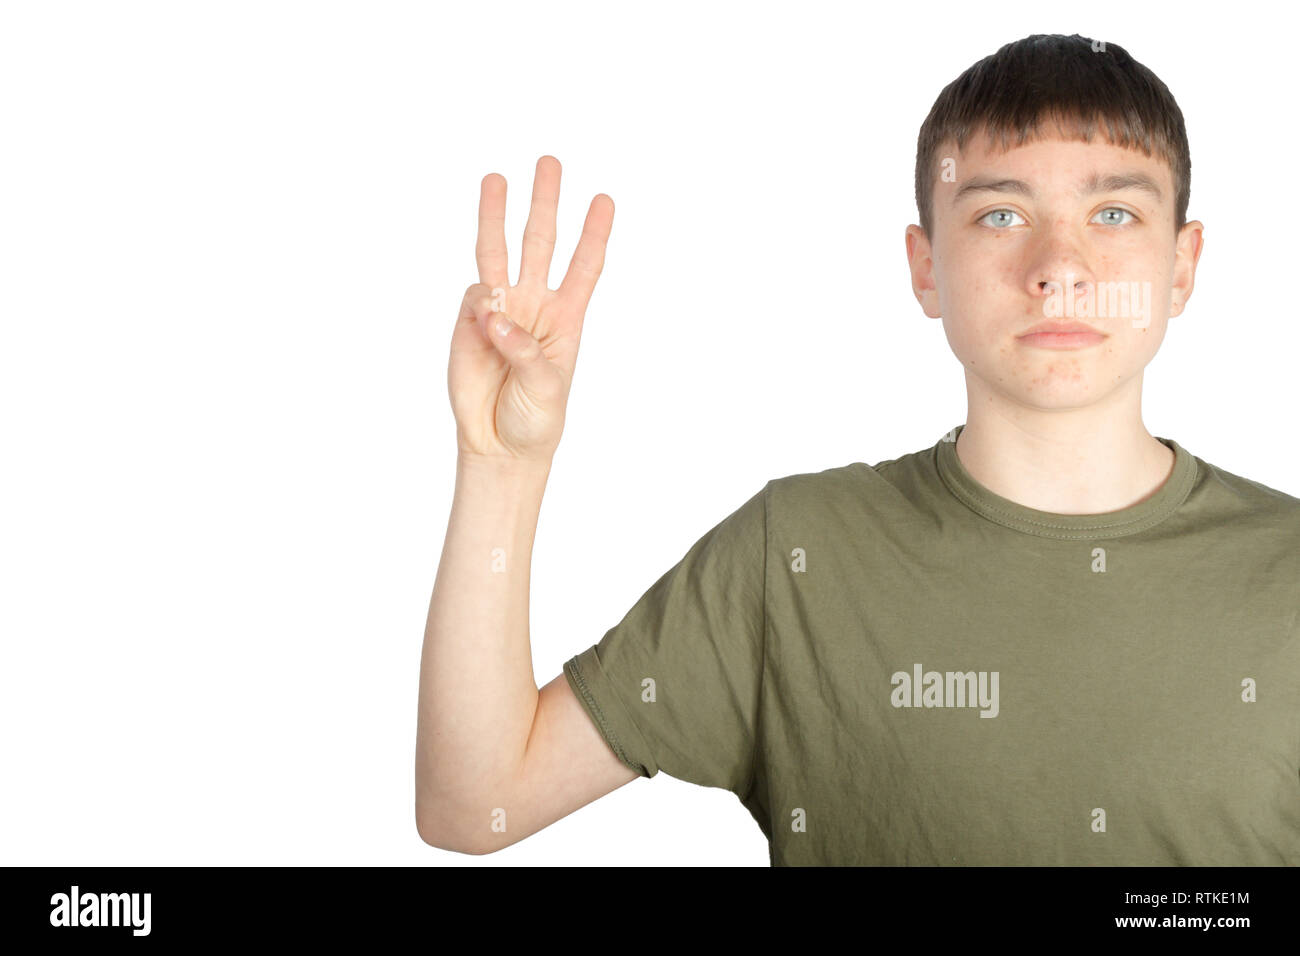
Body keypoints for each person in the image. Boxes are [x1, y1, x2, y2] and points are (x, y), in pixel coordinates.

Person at [415, 33, 1300, 865]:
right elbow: (475, 803)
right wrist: (502, 465)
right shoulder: (794, 554)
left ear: (1181, 267)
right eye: (999, 214)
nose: (1058, 266)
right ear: (924, 267)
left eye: (1112, 212)